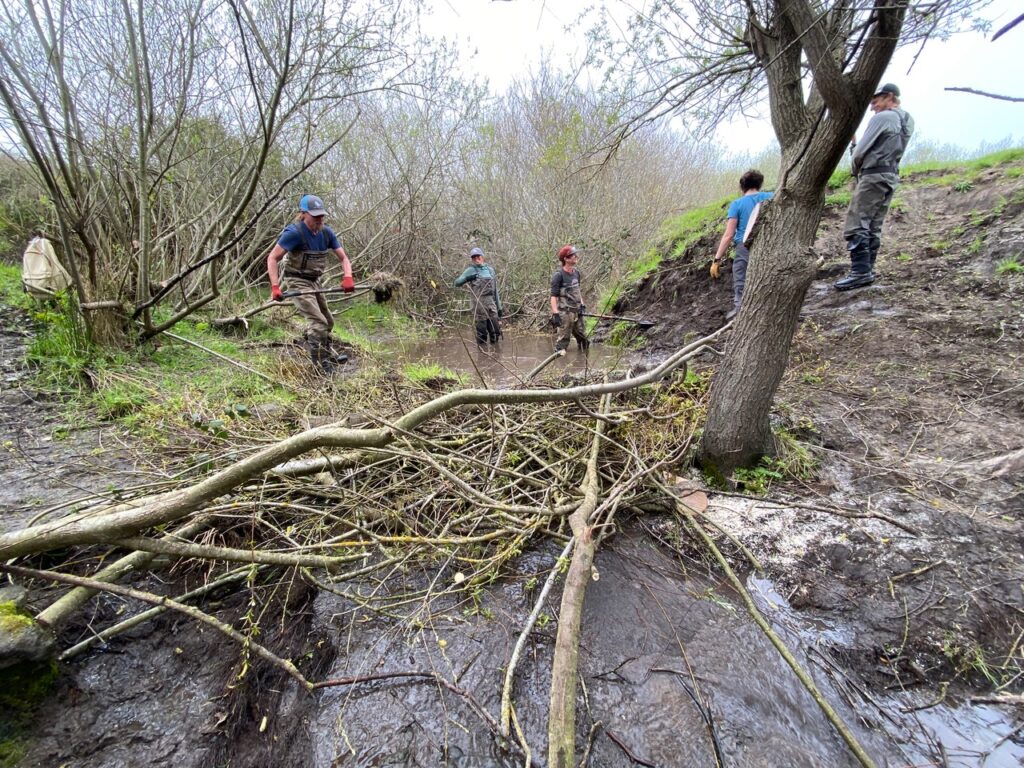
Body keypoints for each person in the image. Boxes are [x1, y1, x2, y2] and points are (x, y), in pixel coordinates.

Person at [836, 83, 914, 291]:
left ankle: (860, 272)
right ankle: (868, 270)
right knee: (874, 224)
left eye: (875, 101)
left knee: (856, 221)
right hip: (890, 175)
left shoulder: (883, 118)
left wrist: (854, 163)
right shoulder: (907, 119)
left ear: (889, 97)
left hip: (872, 175)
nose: (873, 107)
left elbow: (861, 152)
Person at [267, 194, 355, 372]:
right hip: (297, 281)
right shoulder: (294, 233)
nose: (319, 219)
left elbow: (343, 258)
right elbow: (272, 258)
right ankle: (320, 365)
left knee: (328, 322)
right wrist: (275, 287)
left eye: (321, 215)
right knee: (319, 323)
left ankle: (321, 349)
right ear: (304, 214)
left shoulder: (326, 233)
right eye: (315, 216)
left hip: (315, 281)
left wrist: (348, 277)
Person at [710, 169, 773, 319]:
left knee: (741, 279)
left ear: (742, 187)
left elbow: (728, 235)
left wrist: (716, 260)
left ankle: (741, 314)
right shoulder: (771, 197)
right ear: (760, 184)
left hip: (744, 247)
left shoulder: (737, 204)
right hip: (769, 244)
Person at [454, 246, 502, 344]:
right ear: (472, 259)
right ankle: (482, 357)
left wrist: (499, 308)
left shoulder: (490, 270)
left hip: (491, 305)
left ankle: (495, 355)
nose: (476, 259)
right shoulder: (470, 270)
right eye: (474, 257)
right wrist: (468, 278)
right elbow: (456, 283)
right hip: (478, 305)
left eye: (478, 256)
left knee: (496, 331)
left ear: (482, 257)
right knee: (482, 333)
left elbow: (495, 291)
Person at [550, 245, 589, 352]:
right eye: (573, 255)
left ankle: (583, 363)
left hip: (577, 312)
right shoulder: (558, 275)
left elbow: (577, 290)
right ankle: (559, 364)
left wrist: (582, 304)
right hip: (565, 313)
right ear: (566, 259)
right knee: (563, 342)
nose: (576, 256)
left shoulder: (576, 273)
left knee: (584, 338)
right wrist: (556, 314)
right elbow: (553, 297)